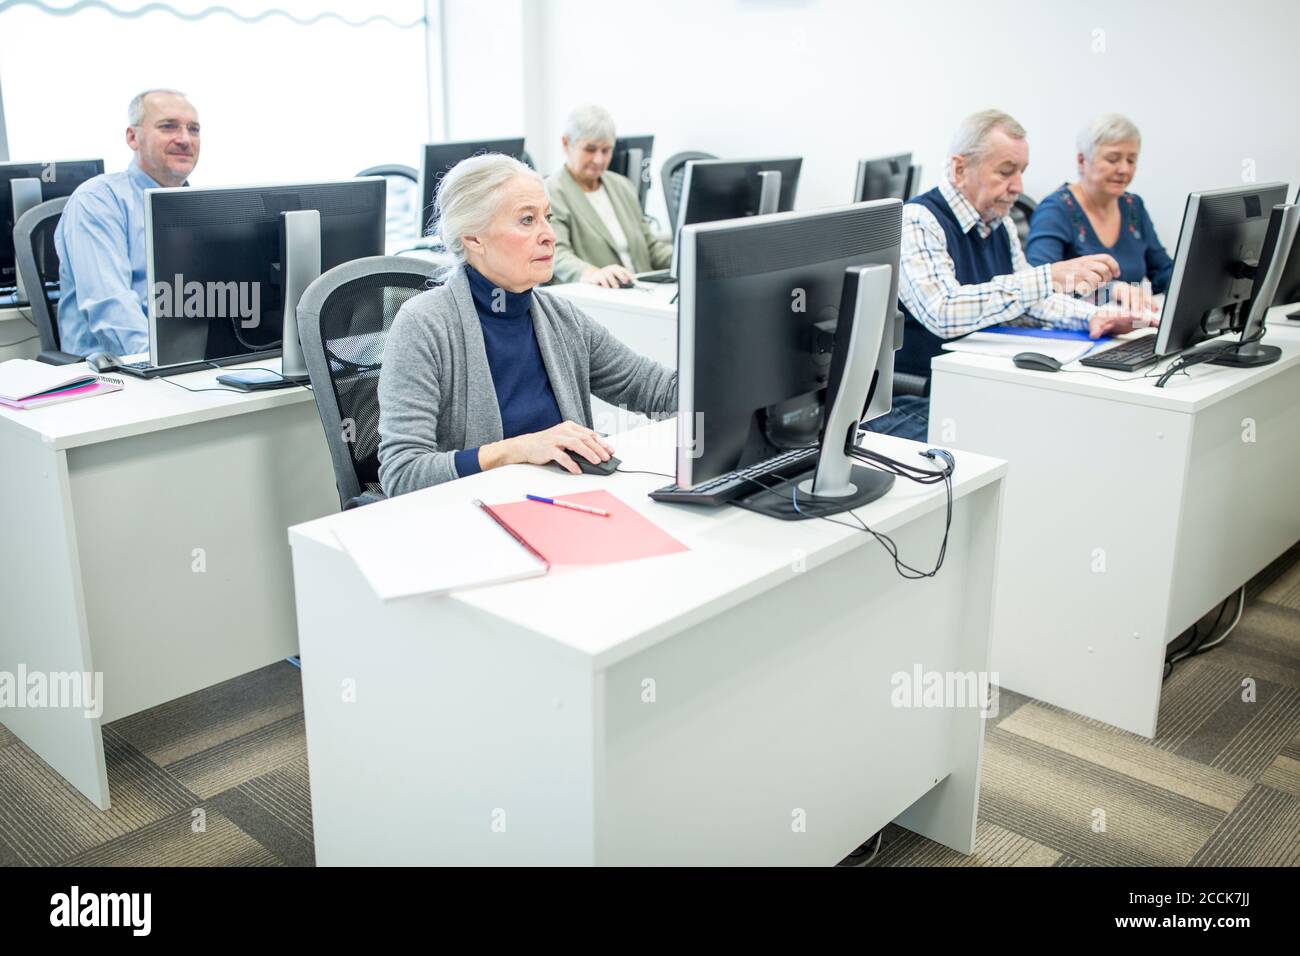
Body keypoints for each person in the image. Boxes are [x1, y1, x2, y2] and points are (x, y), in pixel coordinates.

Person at [377, 154, 677, 497]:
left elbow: (657, 390)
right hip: (471, 512)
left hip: (565, 501)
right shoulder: (424, 324)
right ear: (474, 238)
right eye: (527, 220)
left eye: (547, 217)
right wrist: (517, 449)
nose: (549, 235)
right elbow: (403, 474)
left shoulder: (560, 318)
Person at [871, 109, 1154, 442]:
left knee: (1057, 429)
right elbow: (943, 311)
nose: (1018, 186)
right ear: (960, 169)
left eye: (1021, 171)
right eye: (1006, 172)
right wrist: (1048, 277)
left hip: (973, 385)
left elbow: (1029, 302)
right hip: (915, 398)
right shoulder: (918, 220)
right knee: (1021, 442)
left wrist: (1096, 317)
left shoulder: (999, 222)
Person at [54, 89, 201, 357]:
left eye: (193, 129)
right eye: (168, 126)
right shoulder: (97, 200)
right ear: (133, 137)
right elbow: (110, 306)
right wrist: (164, 364)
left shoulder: (201, 207)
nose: (184, 139)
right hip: (114, 369)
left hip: (185, 362)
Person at [1025, 114, 1173, 309]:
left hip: (1130, 320)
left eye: (1131, 160)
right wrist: (1110, 290)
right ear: (1082, 160)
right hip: (1079, 322)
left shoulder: (1133, 206)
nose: (1124, 169)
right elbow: (1039, 284)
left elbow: (1163, 270)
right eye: (1112, 159)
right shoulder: (1055, 210)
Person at [545, 105, 672, 287]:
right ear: (566, 144)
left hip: (642, 290)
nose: (599, 159)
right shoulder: (551, 192)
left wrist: (688, 258)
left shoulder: (623, 186)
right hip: (596, 293)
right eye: (590, 149)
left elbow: (650, 247)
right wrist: (592, 273)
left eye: (606, 150)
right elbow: (556, 254)